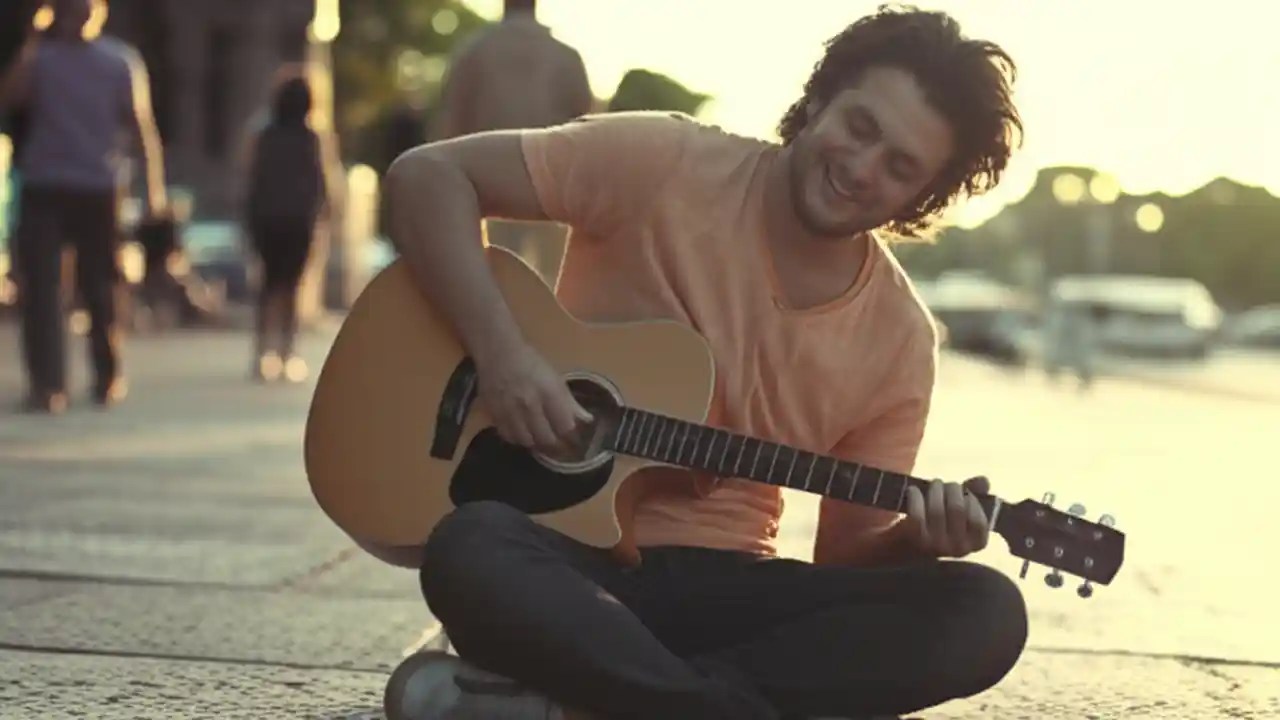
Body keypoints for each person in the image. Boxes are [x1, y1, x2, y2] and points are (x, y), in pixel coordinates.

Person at [379, 6, 1026, 719]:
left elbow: (843, 564)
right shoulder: (665, 163)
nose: (860, 168)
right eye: (859, 127)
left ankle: (584, 703)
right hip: (564, 561)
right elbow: (427, 177)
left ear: (922, 197)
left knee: (985, 609)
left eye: (900, 166)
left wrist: (916, 537)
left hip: (729, 590)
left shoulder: (899, 339)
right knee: (469, 544)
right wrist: (505, 358)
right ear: (819, 99)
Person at [0, 0, 167, 413]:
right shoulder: (40, 58)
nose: (79, 16)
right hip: (43, 184)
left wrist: (155, 194)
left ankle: (106, 375)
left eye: (85, 8)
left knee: (100, 288)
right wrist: (32, 40)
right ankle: (48, 385)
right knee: (40, 288)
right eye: (70, 8)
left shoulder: (120, 61)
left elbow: (142, 128)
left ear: (100, 12)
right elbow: (10, 98)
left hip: (98, 188)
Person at [432, 0, 594, 284]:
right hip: (553, 187)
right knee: (555, 284)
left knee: (496, 283)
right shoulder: (566, 57)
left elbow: (450, 124)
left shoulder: (474, 53)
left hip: (489, 185)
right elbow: (587, 130)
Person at [240, 67, 331, 383]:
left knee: (267, 287)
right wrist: (326, 214)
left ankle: (261, 353)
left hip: (265, 219)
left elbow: (250, 178)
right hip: (298, 221)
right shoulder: (312, 137)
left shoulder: (263, 134)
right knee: (291, 288)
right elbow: (322, 182)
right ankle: (287, 352)